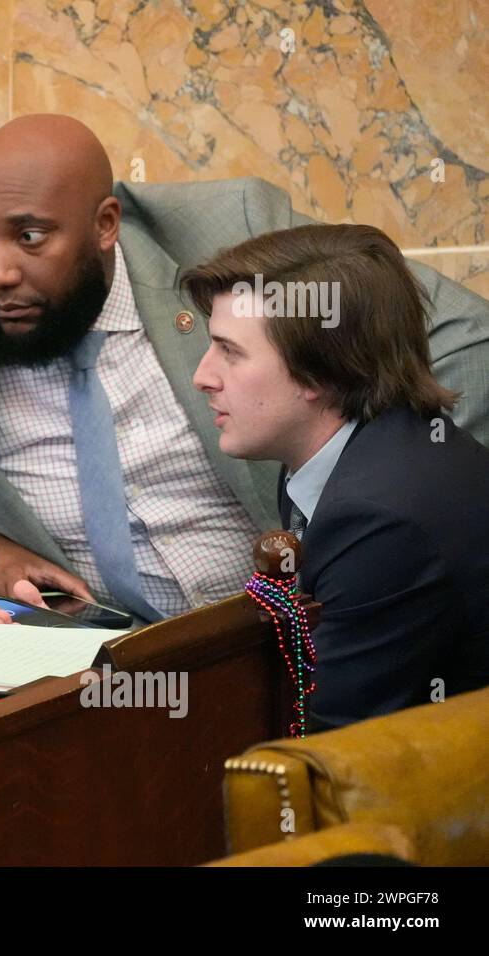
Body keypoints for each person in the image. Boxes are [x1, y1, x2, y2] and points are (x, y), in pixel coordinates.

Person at [0, 114, 489, 622]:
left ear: (107, 225)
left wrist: (391, 523)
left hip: (295, 631)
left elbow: (462, 331)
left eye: (30, 238)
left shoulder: (228, 237)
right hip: (103, 679)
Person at [183, 223, 489, 729]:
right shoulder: (335, 458)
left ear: (321, 373)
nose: (203, 375)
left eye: (230, 351)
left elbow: (324, 750)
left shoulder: (380, 520)